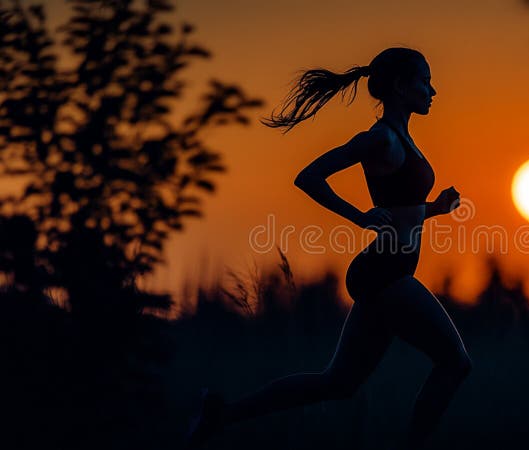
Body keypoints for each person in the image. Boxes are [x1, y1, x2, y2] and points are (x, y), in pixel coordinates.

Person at [185, 46, 472, 450]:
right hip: (386, 271)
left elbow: (401, 212)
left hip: (388, 272)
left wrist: (436, 209)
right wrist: (359, 217)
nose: (433, 90)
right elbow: (310, 176)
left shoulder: (401, 138)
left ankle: (221, 416)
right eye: (425, 81)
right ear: (400, 86)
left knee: (338, 383)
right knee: (456, 361)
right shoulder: (380, 139)